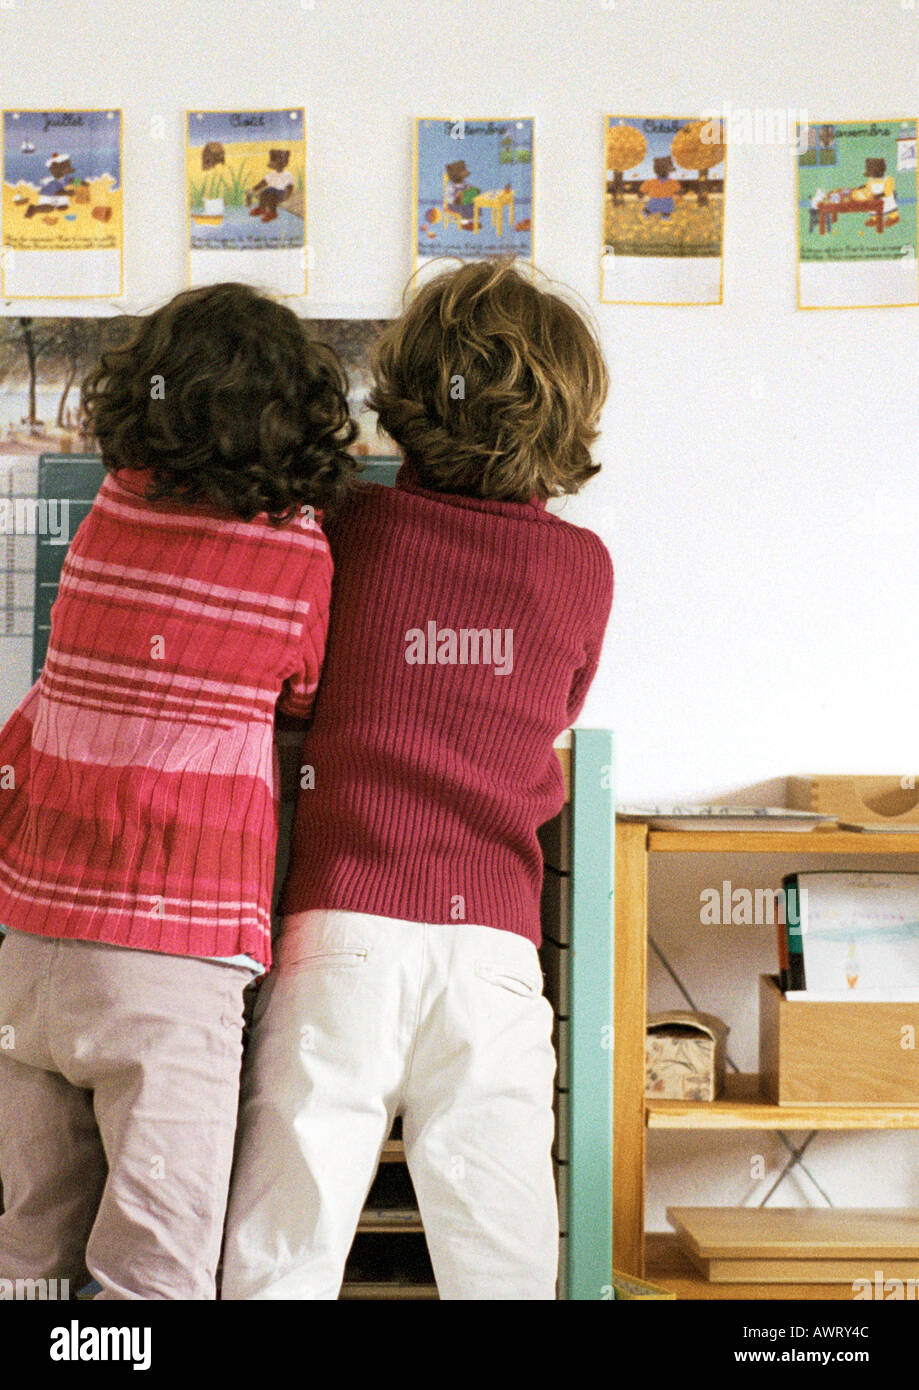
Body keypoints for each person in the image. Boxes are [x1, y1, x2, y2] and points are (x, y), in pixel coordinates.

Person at [222, 257, 614, 1301]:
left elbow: (295, 694)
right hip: (492, 947)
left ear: (401, 399)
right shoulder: (583, 568)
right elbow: (558, 710)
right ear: (567, 416)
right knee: (503, 1251)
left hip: (341, 928)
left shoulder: (345, 527)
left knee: (284, 1240)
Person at [0, 281, 357, 1299]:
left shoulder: (108, 514)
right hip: (172, 961)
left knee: (29, 1243)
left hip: (29, 947)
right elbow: (303, 704)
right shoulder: (296, 555)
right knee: (153, 1262)